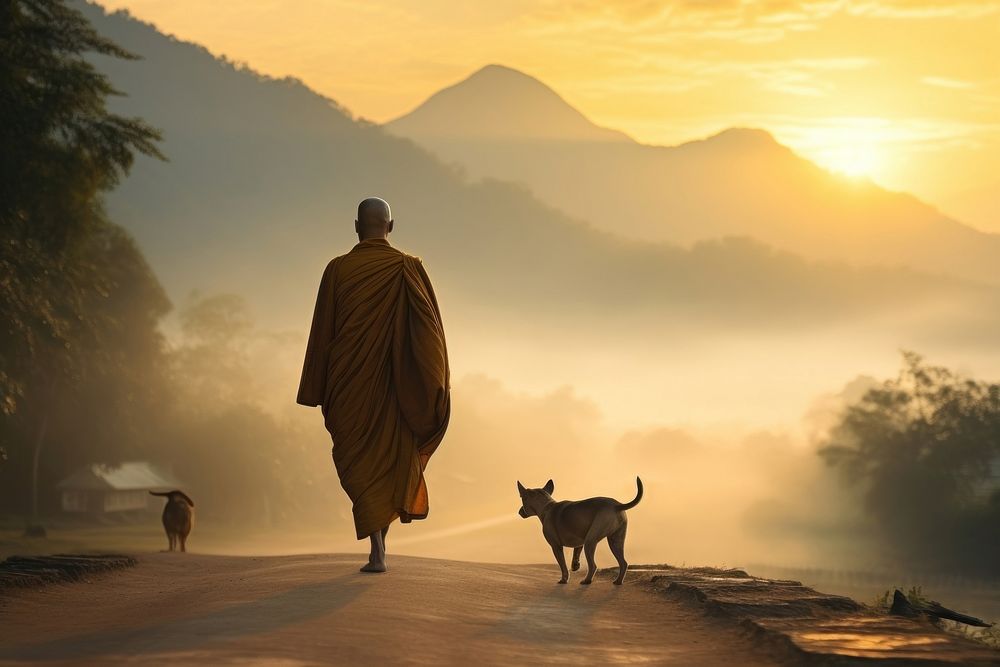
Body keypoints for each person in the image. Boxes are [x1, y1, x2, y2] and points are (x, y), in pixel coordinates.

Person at [297, 197, 450, 572]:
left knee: (360, 464)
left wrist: (315, 387)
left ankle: (377, 544)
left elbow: (322, 332)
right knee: (390, 460)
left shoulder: (337, 270)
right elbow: (430, 337)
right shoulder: (408, 268)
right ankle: (379, 544)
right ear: (391, 226)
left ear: (355, 226)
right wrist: (433, 386)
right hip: (398, 387)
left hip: (348, 386)